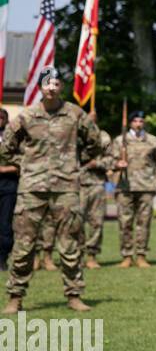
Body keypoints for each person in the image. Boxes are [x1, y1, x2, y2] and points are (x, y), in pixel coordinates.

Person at [1, 68, 103, 313]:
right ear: (40, 87)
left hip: (66, 187)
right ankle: (15, 297)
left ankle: (74, 295)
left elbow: (96, 141)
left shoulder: (75, 114)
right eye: (47, 83)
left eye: (56, 83)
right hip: (32, 189)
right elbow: (6, 147)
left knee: (69, 244)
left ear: (61, 87)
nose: (52, 87)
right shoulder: (26, 116)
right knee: (24, 245)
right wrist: (24, 164)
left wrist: (77, 161)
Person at [110, 109, 156, 268]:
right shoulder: (120, 141)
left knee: (144, 222)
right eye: (135, 121)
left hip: (145, 187)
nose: (138, 124)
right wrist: (116, 166)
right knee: (125, 222)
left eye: (141, 121)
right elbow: (109, 161)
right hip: (125, 187)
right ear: (130, 123)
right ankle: (127, 256)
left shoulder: (153, 141)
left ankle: (141, 254)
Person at [80, 124, 113, 268]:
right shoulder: (72, 133)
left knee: (96, 221)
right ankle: (76, 255)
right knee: (75, 222)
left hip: (97, 183)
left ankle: (91, 256)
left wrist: (97, 163)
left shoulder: (103, 136)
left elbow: (111, 159)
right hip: (76, 183)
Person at [0, 108, 17, 271]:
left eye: (2, 117)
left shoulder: (14, 138)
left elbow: (24, 162)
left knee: (5, 225)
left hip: (8, 187)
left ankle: (2, 258)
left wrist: (5, 170)